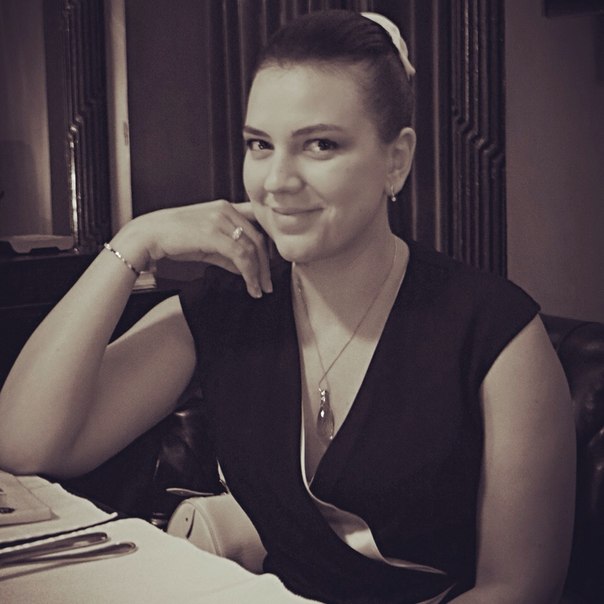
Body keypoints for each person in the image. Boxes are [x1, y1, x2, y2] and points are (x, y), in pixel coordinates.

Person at [0, 9, 575, 604]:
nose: (276, 180)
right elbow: (22, 445)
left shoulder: (495, 331)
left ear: (396, 160)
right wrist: (133, 242)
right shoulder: (230, 304)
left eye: (320, 145)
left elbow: (521, 586)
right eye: (260, 144)